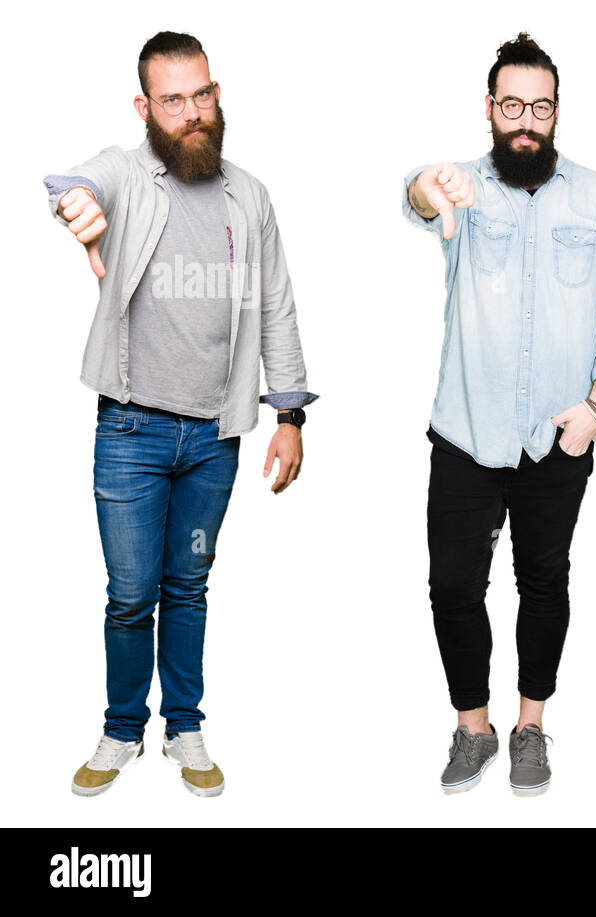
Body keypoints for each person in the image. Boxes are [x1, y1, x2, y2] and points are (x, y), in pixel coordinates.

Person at [44, 31, 316, 797]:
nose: (193, 113)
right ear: (145, 107)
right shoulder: (126, 175)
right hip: (129, 432)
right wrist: (76, 204)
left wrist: (290, 413)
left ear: (217, 92)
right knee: (131, 594)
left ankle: (185, 726)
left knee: (189, 584)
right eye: (173, 100)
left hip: (213, 437)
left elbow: (277, 308)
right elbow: (76, 182)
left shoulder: (250, 196)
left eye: (202, 94)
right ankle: (122, 728)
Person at [402, 33, 596, 797]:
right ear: (489, 109)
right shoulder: (462, 188)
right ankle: (472, 729)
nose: (526, 121)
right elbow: (416, 195)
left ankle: (530, 725)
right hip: (465, 433)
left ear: (557, 112)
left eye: (540, 106)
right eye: (513, 105)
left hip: (558, 438)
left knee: (544, 582)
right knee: (453, 587)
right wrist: (428, 189)